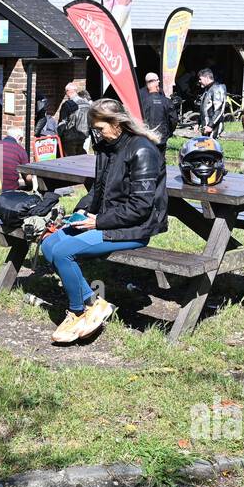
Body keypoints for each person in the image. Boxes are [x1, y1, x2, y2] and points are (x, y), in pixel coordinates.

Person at [41, 99, 166, 344]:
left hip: (134, 228)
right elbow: (97, 192)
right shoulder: (107, 148)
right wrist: (79, 214)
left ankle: (79, 310)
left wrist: (98, 222)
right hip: (107, 220)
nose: (97, 134)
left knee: (64, 251)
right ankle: (92, 302)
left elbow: (141, 207)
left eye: (100, 128)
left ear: (117, 122)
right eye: (94, 129)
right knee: (49, 245)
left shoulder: (142, 150)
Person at [137, 72, 176, 155]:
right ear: (154, 82)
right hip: (161, 134)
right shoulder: (162, 95)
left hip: (146, 134)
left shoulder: (139, 94)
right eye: (158, 80)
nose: (159, 82)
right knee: (161, 159)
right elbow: (172, 118)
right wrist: (169, 132)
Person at [57, 82, 91, 157]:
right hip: (83, 135)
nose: (66, 94)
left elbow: (63, 122)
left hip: (70, 137)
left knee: (70, 159)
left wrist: (58, 134)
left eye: (66, 91)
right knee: (79, 157)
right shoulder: (86, 103)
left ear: (69, 91)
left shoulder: (68, 104)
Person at [0, 127, 30, 192]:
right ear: (19, 138)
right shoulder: (21, 150)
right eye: (21, 139)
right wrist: (30, 186)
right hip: (9, 189)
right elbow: (27, 176)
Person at [196, 68, 227, 138]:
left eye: (200, 79)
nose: (199, 81)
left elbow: (219, 110)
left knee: (211, 148)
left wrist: (210, 125)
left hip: (213, 128)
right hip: (206, 128)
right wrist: (198, 123)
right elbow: (204, 109)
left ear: (207, 78)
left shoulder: (217, 89)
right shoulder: (208, 89)